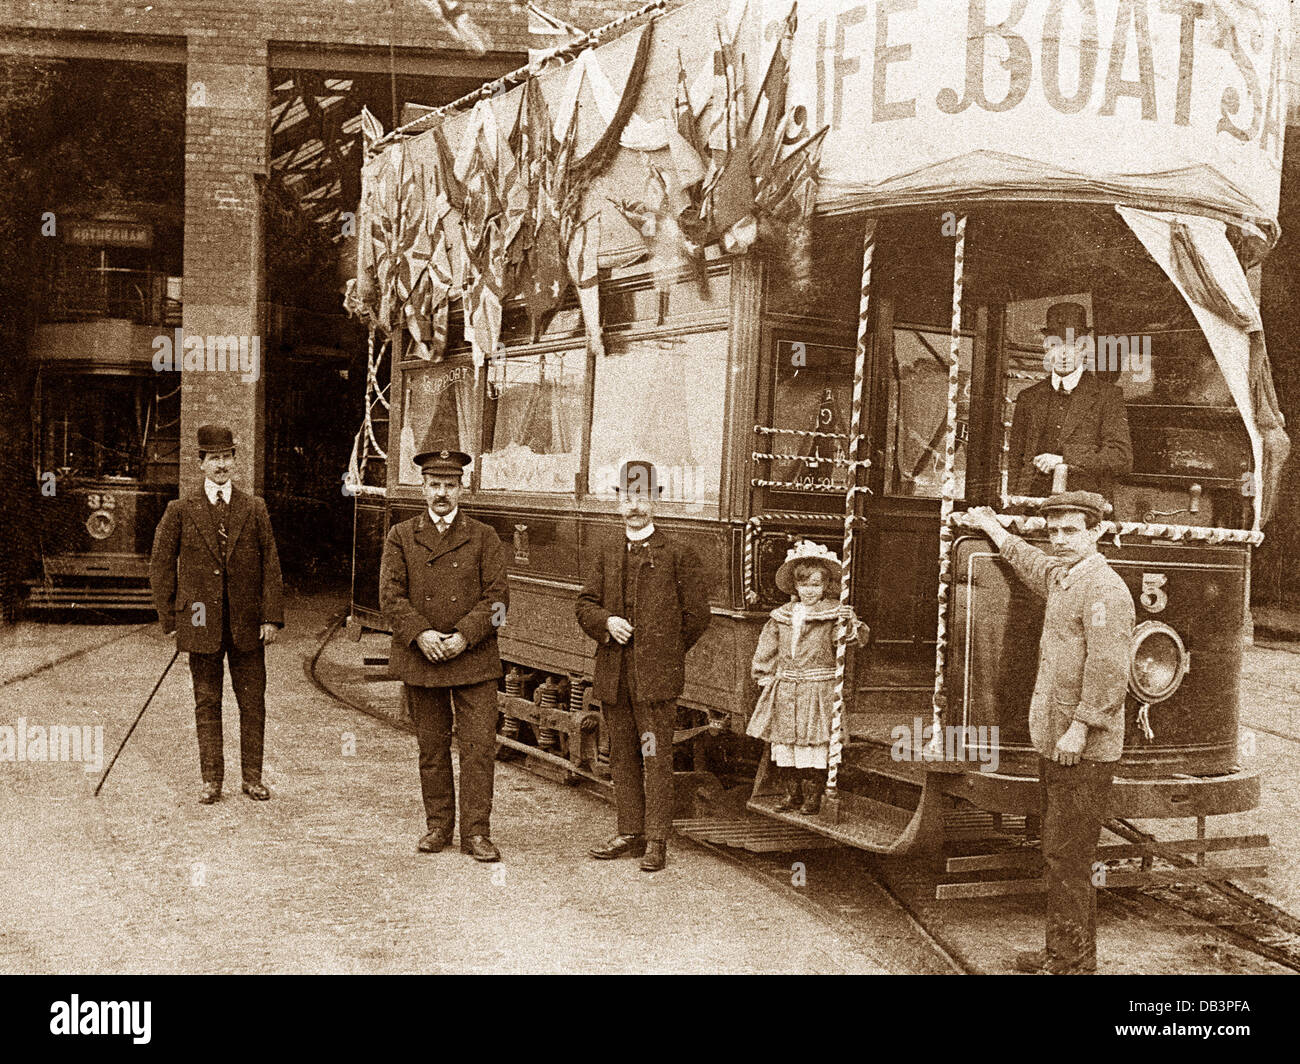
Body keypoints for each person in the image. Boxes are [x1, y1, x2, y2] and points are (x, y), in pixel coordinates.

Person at [959, 493, 1134, 975]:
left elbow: (1108, 670)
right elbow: (1030, 560)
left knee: (1069, 857)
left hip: (1082, 746)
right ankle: (1064, 952)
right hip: (1056, 739)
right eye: (1054, 531)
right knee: (1058, 851)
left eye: (1070, 531)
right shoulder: (1064, 575)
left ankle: (1073, 963)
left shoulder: (1104, 590)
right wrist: (995, 530)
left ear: (1096, 532)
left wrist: (1080, 729)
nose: (1059, 540)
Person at [575, 459, 711, 872]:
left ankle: (656, 841)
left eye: (644, 496)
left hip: (655, 679)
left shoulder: (679, 553)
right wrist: (606, 623)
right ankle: (629, 832)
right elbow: (584, 605)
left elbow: (697, 616)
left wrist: (663, 651)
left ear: (657, 500)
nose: (635, 506)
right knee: (622, 756)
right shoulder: (605, 550)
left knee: (655, 757)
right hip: (615, 675)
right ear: (618, 501)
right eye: (628, 497)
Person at [379, 431, 508, 862]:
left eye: (450, 485)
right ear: (422, 488)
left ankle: (477, 832)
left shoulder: (485, 536)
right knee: (431, 750)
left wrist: (463, 637)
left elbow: (499, 602)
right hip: (424, 657)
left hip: (473, 659)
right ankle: (438, 827)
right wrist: (422, 635)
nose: (442, 493)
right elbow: (390, 597)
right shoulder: (400, 535)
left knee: (477, 750)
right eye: (434, 484)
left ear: (462, 488)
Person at [149, 424, 284, 804]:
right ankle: (212, 780)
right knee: (207, 702)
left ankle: (252, 778)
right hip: (199, 621)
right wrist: (171, 619)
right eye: (214, 459)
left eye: (227, 457)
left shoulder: (254, 508)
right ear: (201, 464)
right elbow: (160, 564)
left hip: (247, 625)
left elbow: (271, 565)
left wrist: (270, 617)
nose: (221, 465)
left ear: (234, 462)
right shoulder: (180, 510)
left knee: (252, 702)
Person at [747, 540, 867, 814]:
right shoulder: (782, 616)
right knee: (786, 743)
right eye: (804, 585)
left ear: (826, 586)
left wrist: (848, 625)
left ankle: (813, 797)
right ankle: (792, 795)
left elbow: (849, 641)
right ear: (795, 586)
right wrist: (765, 677)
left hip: (817, 688)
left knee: (812, 744)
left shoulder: (835, 613)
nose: (809, 591)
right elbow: (768, 650)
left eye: (816, 585)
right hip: (787, 687)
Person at [1007, 302, 1133, 501]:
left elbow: (1121, 458)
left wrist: (1064, 459)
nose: (1064, 354)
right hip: (1032, 510)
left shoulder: (1108, 396)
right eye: (1056, 345)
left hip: (1085, 512)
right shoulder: (1028, 397)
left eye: (1072, 345)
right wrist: (1015, 507)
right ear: (1046, 348)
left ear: (1084, 348)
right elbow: (1015, 462)